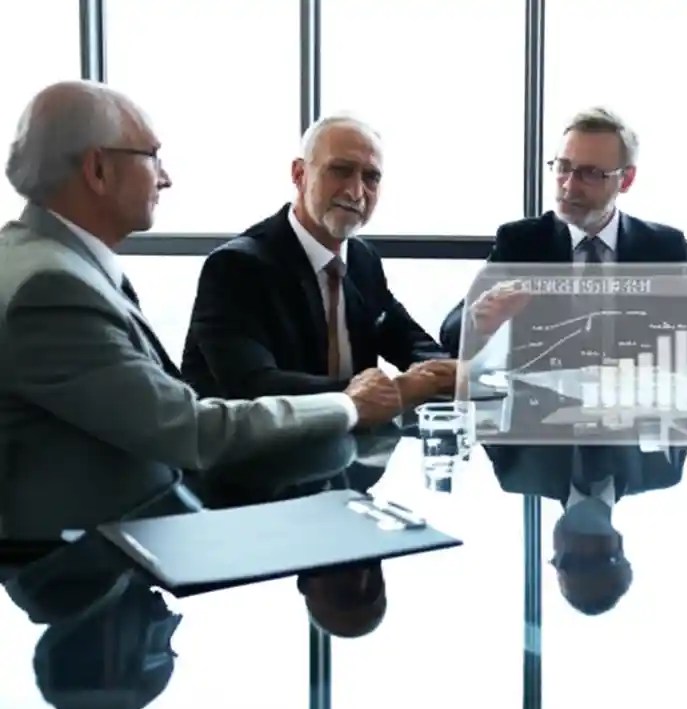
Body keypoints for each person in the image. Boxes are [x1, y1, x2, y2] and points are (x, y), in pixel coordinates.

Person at [0, 81, 402, 541]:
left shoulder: (43, 259)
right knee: (378, 536)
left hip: (148, 522)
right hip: (100, 551)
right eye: (152, 157)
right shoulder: (51, 288)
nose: (165, 178)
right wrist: (349, 403)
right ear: (98, 169)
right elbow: (191, 431)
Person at [180, 114, 453, 402]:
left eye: (371, 177)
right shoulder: (236, 267)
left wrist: (452, 372)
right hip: (262, 432)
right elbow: (255, 387)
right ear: (299, 175)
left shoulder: (362, 259)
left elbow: (407, 339)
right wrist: (392, 391)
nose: (356, 192)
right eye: (340, 171)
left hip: (354, 431)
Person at [438, 107, 687, 357]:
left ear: (626, 180)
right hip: (539, 386)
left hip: (631, 383)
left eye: (590, 173)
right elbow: (451, 333)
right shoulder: (522, 241)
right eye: (563, 167)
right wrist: (480, 321)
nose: (569, 186)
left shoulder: (661, 246)